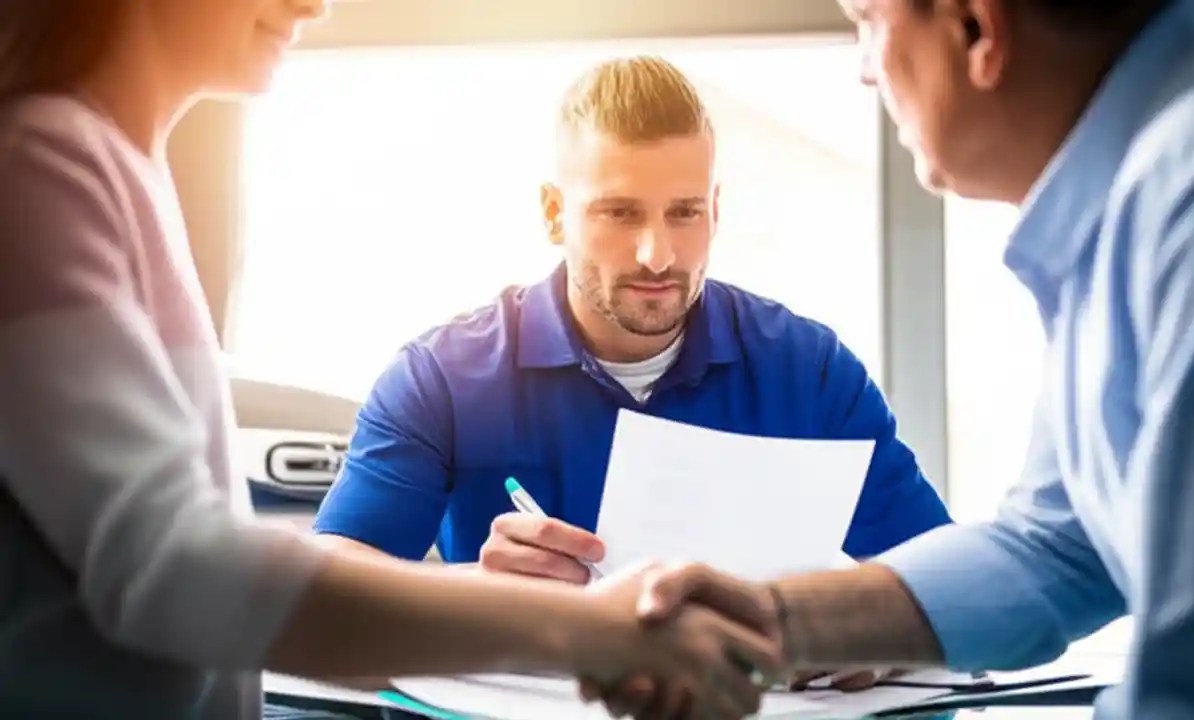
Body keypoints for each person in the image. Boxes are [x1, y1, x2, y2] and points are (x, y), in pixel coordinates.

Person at [0, 2, 782, 719]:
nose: (316, 4)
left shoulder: (126, 171)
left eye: (685, 212)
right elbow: (171, 571)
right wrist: (587, 629)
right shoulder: (40, 166)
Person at [592, 0, 1194, 718]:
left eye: (867, 22)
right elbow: (1055, 548)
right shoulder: (1144, 191)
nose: (865, 70)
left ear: (976, 27)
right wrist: (771, 619)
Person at [312, 56, 951, 586]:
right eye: (619, 214)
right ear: (555, 213)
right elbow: (327, 586)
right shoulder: (441, 379)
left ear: (716, 210)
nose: (658, 255)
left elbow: (941, 576)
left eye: (684, 213)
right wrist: (476, 594)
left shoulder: (810, 372)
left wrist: (876, 635)